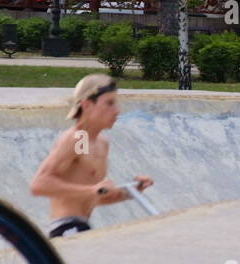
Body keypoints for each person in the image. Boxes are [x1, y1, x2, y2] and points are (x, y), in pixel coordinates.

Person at [30, 74, 153, 238]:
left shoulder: (98, 143)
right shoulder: (77, 138)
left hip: (82, 225)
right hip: (67, 228)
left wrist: (131, 191)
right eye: (109, 103)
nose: (117, 110)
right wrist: (94, 189)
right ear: (87, 105)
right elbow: (40, 184)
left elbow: (92, 196)